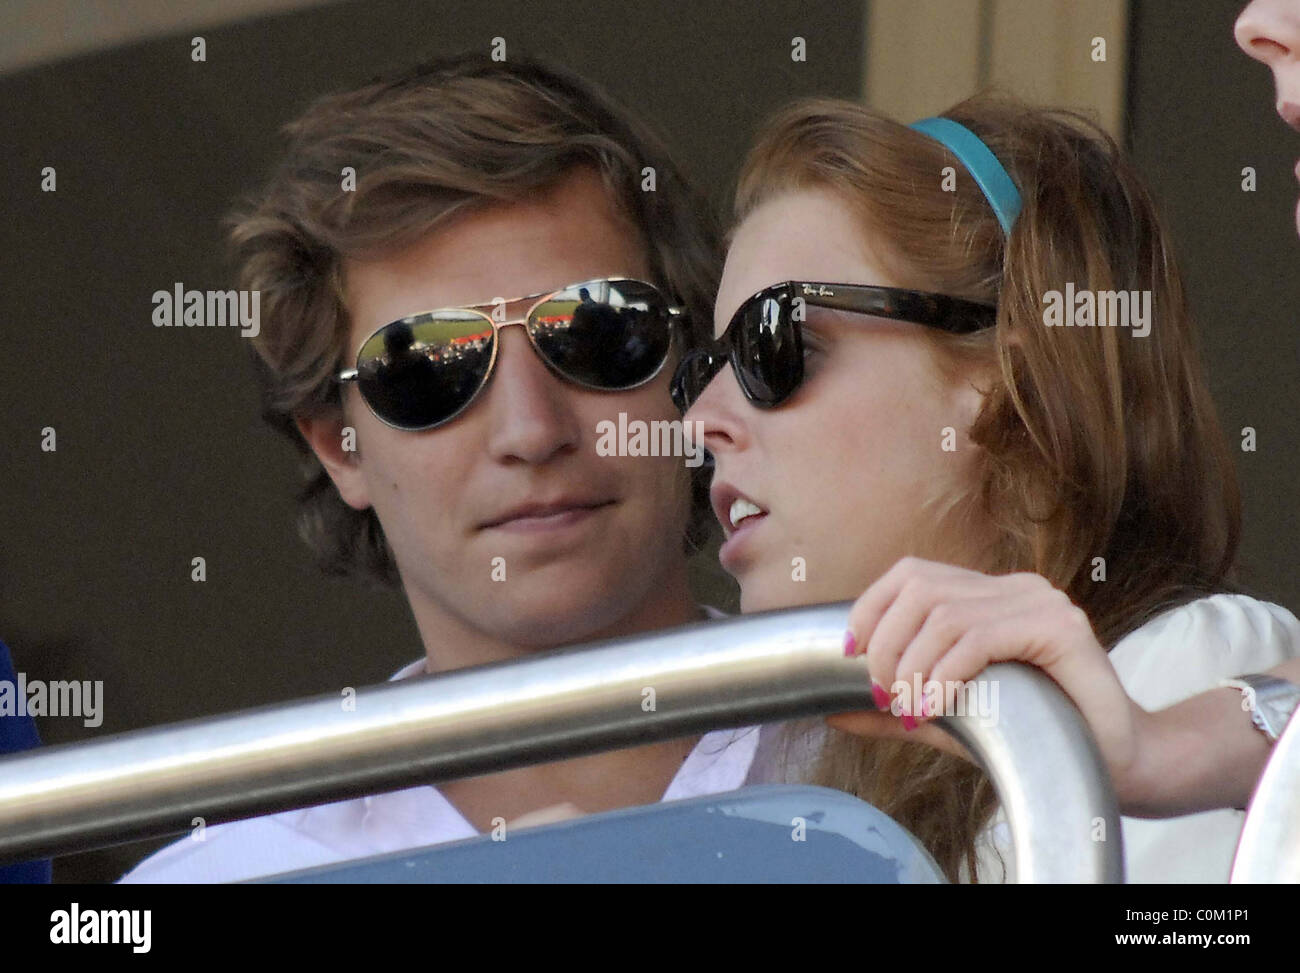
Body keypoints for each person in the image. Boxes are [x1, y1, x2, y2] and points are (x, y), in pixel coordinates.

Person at [119, 53, 755, 882]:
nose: (530, 430)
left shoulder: (923, 769)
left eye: (598, 331)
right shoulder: (218, 880)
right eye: (427, 367)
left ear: (692, 371)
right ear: (337, 446)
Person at [676, 90, 1300, 883]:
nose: (701, 419)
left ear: (1007, 376)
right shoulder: (805, 775)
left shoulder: (1183, 666)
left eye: (774, 344)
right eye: (706, 368)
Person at [830, 0, 1300, 829]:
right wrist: (1161, 750)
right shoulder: (802, 752)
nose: (1257, 22)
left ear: (1010, 372)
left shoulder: (1190, 650)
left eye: (780, 348)